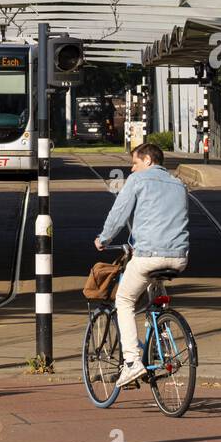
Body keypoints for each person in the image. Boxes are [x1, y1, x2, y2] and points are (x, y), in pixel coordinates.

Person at [94, 141, 189, 388]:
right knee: (153, 292)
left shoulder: (138, 180)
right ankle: (163, 343)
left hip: (149, 255)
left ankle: (132, 363)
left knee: (124, 300)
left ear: (148, 161)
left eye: (134, 163)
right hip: (179, 256)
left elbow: (119, 213)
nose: (132, 170)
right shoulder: (179, 184)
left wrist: (103, 239)